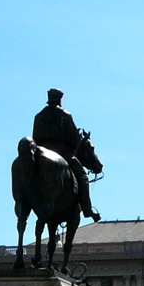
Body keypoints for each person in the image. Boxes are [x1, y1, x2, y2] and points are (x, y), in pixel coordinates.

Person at [32, 88, 101, 221]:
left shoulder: (39, 116)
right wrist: (71, 150)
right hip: (61, 151)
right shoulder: (65, 115)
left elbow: (35, 137)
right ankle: (87, 209)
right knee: (83, 177)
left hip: (40, 152)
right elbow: (74, 138)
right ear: (59, 99)